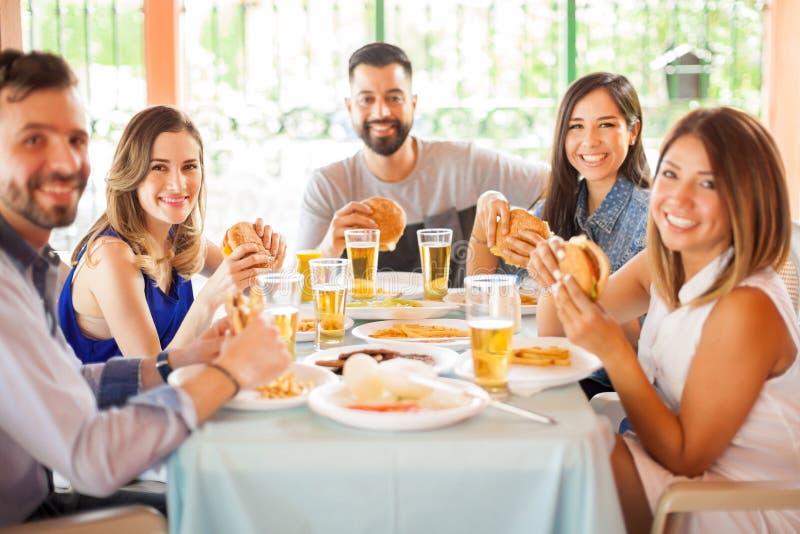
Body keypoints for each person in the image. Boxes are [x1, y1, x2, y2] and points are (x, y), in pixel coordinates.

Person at [0, 50, 291, 526]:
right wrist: (225, 369)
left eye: (76, 140)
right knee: (242, 499)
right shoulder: (98, 258)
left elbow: (75, 382)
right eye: (33, 139)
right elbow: (93, 457)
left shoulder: (32, 267)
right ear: (130, 171)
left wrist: (189, 356)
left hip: (64, 479)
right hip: (56, 497)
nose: (64, 160)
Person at [528, 107, 800, 533]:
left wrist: (613, 350)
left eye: (707, 183)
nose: (678, 198)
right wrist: (557, 272)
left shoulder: (747, 306)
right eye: (671, 174)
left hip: (740, 499)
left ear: (749, 198)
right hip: (674, 468)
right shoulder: (666, 262)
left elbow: (686, 457)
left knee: (572, 465)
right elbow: (557, 331)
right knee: (557, 454)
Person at [296, 42, 549, 286]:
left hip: (458, 316)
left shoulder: (465, 163)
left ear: (413, 103)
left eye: (394, 98)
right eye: (366, 99)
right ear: (349, 106)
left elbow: (556, 183)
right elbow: (298, 291)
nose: (381, 112)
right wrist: (327, 250)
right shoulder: (327, 186)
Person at [58, 105, 287, 363]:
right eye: (159, 167)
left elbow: (253, 291)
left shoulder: (179, 237)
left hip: (180, 386)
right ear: (132, 173)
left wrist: (267, 270)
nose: (178, 184)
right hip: (106, 391)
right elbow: (152, 374)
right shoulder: (111, 256)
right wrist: (210, 297)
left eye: (189, 166)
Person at [468, 72, 650, 397]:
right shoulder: (557, 207)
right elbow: (484, 292)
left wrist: (563, 276)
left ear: (633, 131)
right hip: (555, 372)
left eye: (606, 125)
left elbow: (641, 348)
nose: (589, 141)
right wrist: (484, 219)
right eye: (576, 126)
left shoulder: (653, 218)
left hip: (612, 392)